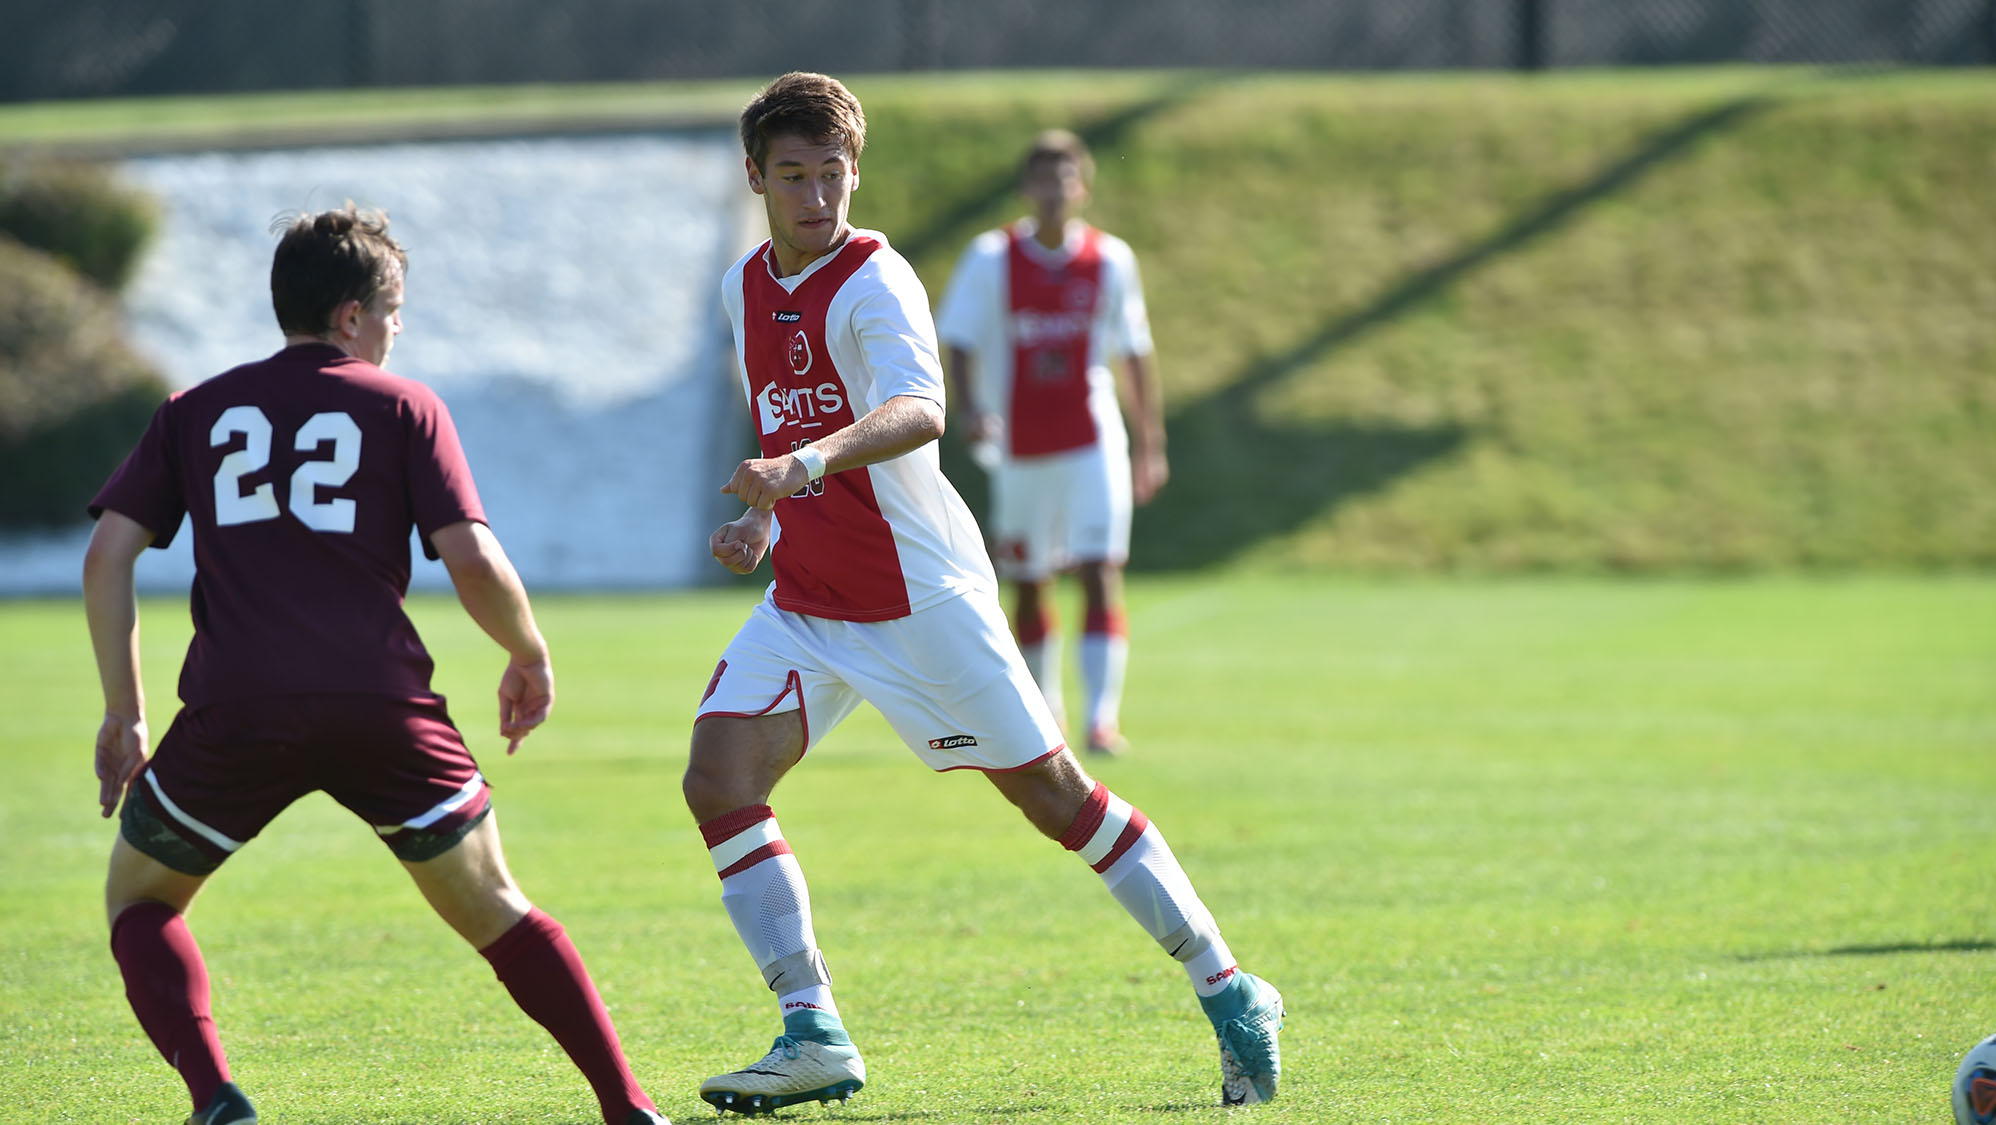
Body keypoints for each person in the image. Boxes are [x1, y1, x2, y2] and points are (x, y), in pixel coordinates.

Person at [685, 72, 1281, 1116]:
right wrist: (763, 517)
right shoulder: (746, 286)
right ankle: (811, 1029)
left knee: (1057, 802)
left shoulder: (876, 282)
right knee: (717, 780)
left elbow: (920, 409)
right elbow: (782, 436)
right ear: (755, 180)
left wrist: (801, 469)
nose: (817, 198)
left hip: (921, 600)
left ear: (854, 171)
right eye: (792, 178)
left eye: (833, 175)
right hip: (809, 603)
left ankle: (1229, 987)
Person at [82, 204, 669, 1125]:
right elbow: (470, 556)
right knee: (497, 908)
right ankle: (627, 1105)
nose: (398, 332)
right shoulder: (404, 406)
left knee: (139, 899)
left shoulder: (193, 411)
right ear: (353, 315)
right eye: (393, 312)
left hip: (239, 708)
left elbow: (107, 555)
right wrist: (527, 650)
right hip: (380, 704)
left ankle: (216, 1097)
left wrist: (126, 710)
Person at [935, 129, 1168, 755]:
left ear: (1083, 187)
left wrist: (1151, 445)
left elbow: (1136, 353)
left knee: (1099, 570)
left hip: (1094, 444)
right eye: (1043, 176)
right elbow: (956, 338)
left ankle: (1101, 719)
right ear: (1025, 188)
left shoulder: (1111, 260)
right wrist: (974, 408)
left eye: (1065, 176)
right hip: (1020, 447)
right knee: (1031, 578)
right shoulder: (990, 258)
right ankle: (1047, 716)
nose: (1055, 188)